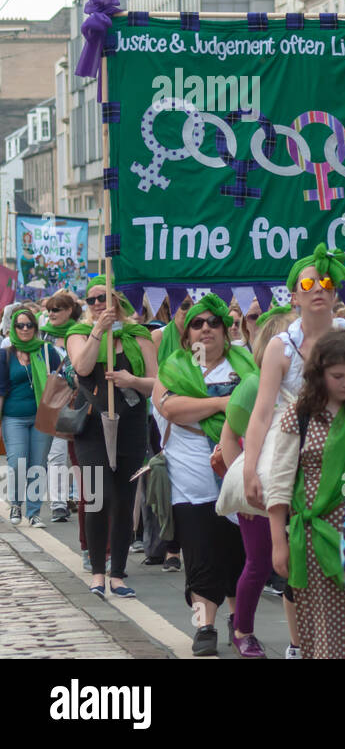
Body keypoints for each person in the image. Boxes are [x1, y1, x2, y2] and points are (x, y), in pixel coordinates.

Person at [240, 247, 345, 658]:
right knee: (304, 573)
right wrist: (252, 470)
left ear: (335, 290)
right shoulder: (281, 348)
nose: (318, 289)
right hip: (302, 462)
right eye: (308, 283)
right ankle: (304, 646)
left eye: (325, 282)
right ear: (293, 296)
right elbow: (263, 412)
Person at [269, 330, 345, 658]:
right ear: (319, 374)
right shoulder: (300, 415)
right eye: (338, 376)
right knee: (324, 629)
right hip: (314, 538)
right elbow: (279, 484)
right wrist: (278, 544)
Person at [152, 294, 255, 656]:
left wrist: (215, 409)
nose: (206, 328)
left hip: (238, 471)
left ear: (227, 331)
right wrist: (223, 404)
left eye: (214, 322)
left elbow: (260, 403)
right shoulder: (178, 366)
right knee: (199, 558)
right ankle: (204, 626)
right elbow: (172, 408)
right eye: (198, 323)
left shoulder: (244, 363)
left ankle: (237, 620)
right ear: (187, 334)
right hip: (191, 480)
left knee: (238, 557)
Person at [66, 277, 158, 599]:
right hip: (91, 425)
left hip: (131, 424)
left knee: (124, 498)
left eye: (102, 298)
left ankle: (118, 573)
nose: (96, 305)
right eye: (90, 301)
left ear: (116, 300)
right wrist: (97, 332)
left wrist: (131, 379)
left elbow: (155, 383)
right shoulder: (78, 333)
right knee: (97, 497)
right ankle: (97, 572)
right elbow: (82, 366)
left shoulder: (138, 335)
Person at [218, 306, 296, 658]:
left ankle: (301, 637)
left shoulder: (305, 382)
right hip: (261, 490)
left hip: (295, 485)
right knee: (259, 563)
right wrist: (246, 482)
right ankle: (242, 629)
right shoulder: (253, 384)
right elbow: (230, 438)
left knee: (296, 565)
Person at [2, 307, 64, 526]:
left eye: (29, 324)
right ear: (13, 327)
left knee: (38, 464)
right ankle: (16, 506)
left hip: (42, 416)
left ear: (35, 327)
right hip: (13, 417)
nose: (25, 328)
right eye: (20, 325)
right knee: (17, 461)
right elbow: (1, 390)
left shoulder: (46, 351)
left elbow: (62, 379)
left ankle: (34, 512)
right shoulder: (5, 354)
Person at [40, 292, 82, 524]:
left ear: (69, 311)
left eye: (56, 309)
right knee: (56, 454)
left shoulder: (82, 334)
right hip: (55, 400)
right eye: (49, 309)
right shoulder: (42, 337)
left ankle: (76, 496)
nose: (51, 314)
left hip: (80, 400)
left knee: (78, 454)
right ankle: (58, 504)